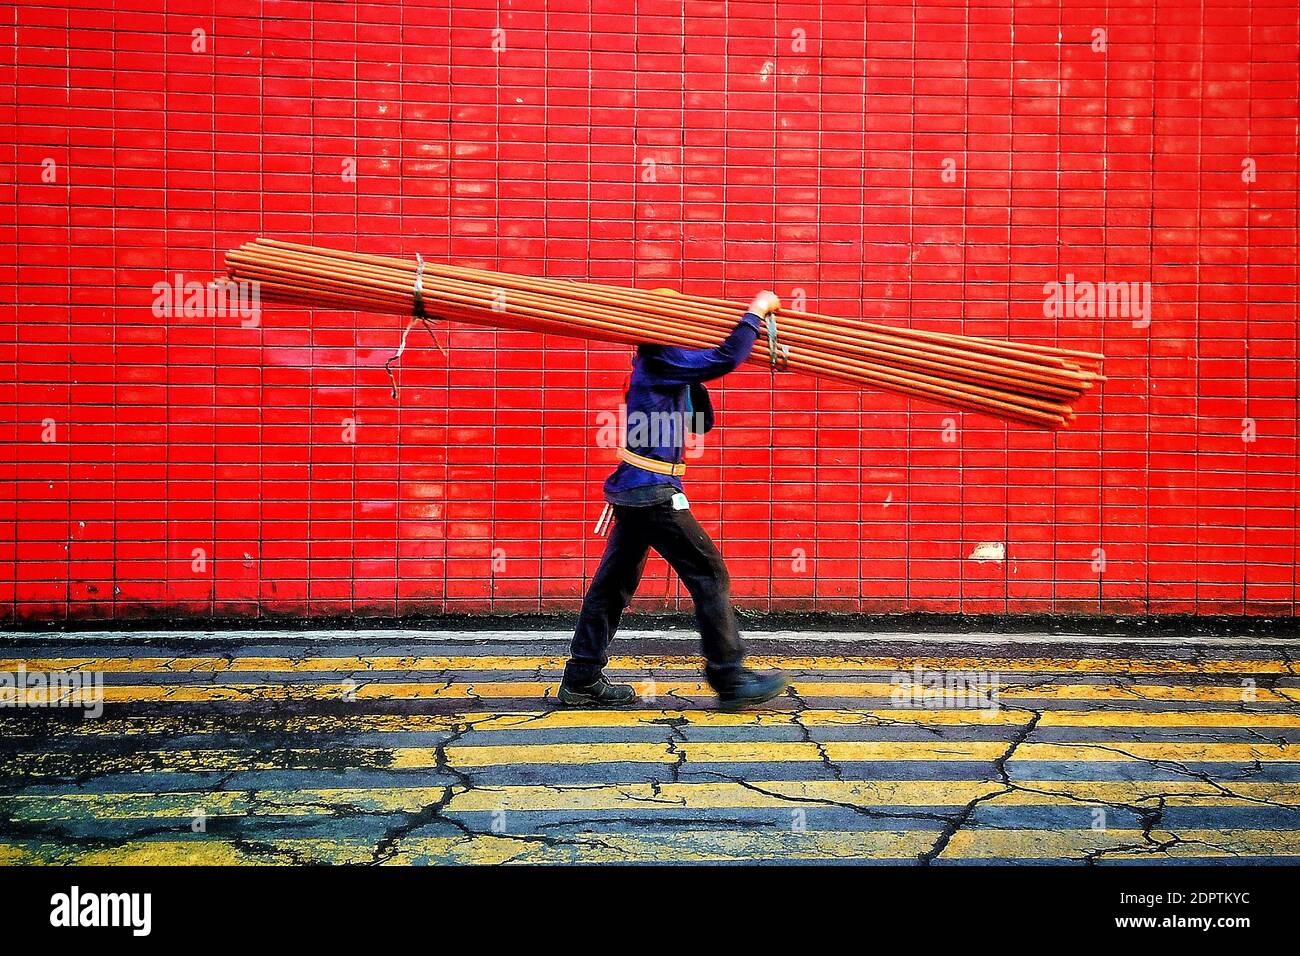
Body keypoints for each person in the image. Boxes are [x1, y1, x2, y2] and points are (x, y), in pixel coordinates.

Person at [558, 291, 789, 710]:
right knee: (709, 574)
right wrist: (754, 311)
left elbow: (702, 424)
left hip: (636, 491)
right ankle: (730, 678)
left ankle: (582, 677)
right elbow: (727, 360)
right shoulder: (659, 357)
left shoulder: (665, 366)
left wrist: (695, 375)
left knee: (612, 587)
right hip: (653, 494)